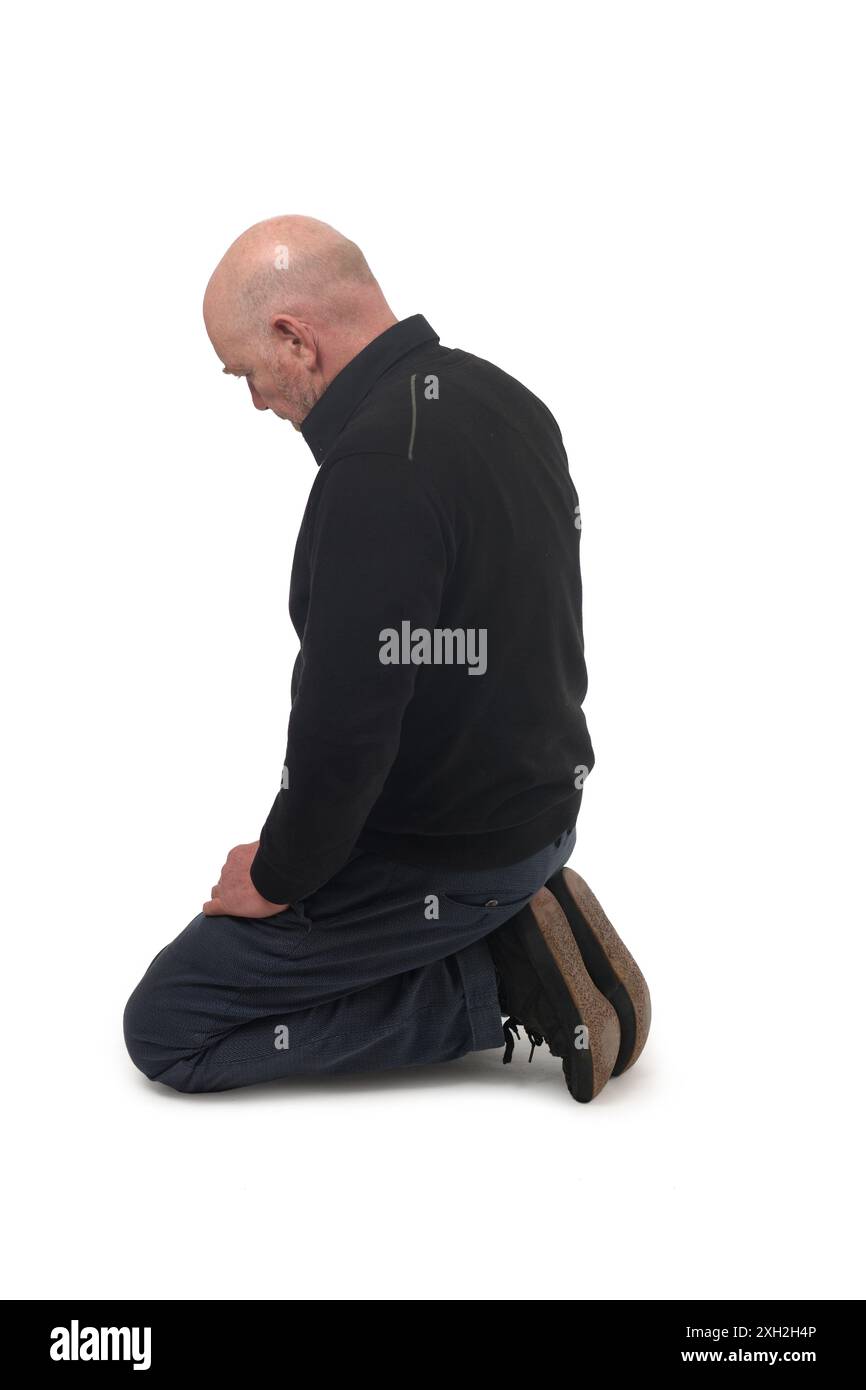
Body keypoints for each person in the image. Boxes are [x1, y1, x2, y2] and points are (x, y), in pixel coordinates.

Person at [123, 216, 650, 1103]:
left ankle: (504, 982)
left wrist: (281, 872)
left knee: (171, 1025)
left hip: (462, 862)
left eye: (247, 372)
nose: (255, 401)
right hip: (542, 818)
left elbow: (346, 728)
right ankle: (517, 914)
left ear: (295, 337)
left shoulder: (377, 466)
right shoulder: (505, 396)